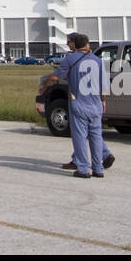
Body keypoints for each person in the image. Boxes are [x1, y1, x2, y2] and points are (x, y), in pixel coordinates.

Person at [55, 33, 109, 178]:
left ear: (74, 44)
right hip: (96, 104)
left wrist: (43, 85)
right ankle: (98, 168)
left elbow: (57, 76)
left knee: (79, 137)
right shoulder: (98, 61)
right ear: (87, 45)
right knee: (96, 137)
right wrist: (103, 100)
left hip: (79, 103)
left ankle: (84, 169)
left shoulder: (70, 59)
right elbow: (104, 84)